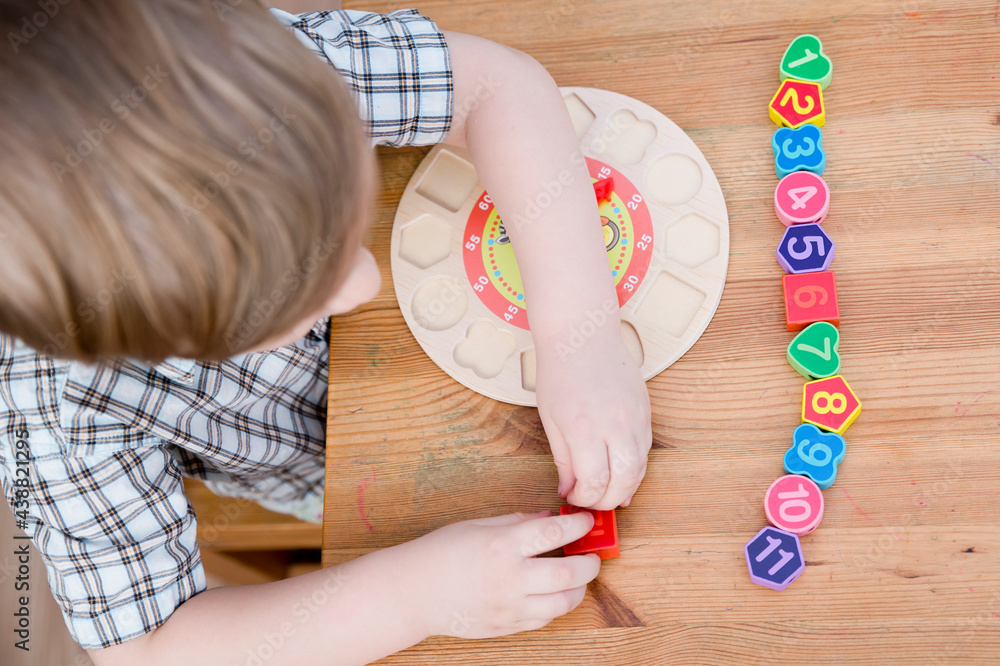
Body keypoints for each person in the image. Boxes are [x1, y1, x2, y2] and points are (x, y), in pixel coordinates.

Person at [0, 1, 652, 663]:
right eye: (301, 289)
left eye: (343, 218)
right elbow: (147, 651)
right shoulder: (53, 412)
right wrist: (414, 597)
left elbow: (496, 85)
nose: (362, 284)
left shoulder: (244, 71)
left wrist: (581, 330)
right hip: (328, 474)